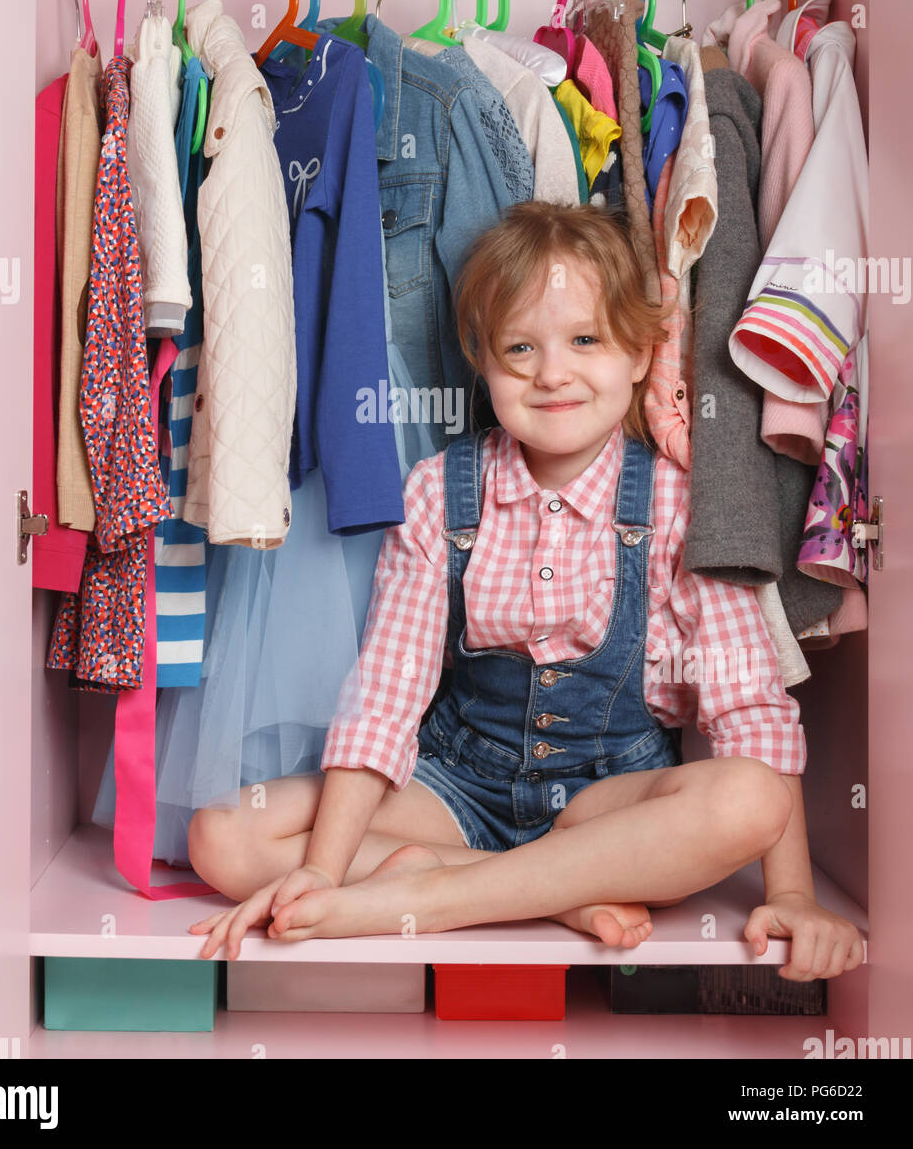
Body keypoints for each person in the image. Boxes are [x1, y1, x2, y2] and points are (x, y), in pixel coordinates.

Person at [188, 201, 864, 983]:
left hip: (606, 804)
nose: (552, 373)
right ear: (483, 360)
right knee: (224, 836)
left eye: (585, 340)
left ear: (642, 353)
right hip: (456, 789)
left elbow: (748, 708)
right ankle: (552, 892)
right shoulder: (440, 492)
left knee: (750, 799)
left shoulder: (678, 504)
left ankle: (438, 895)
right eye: (520, 347)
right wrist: (322, 870)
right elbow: (386, 695)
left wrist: (794, 894)